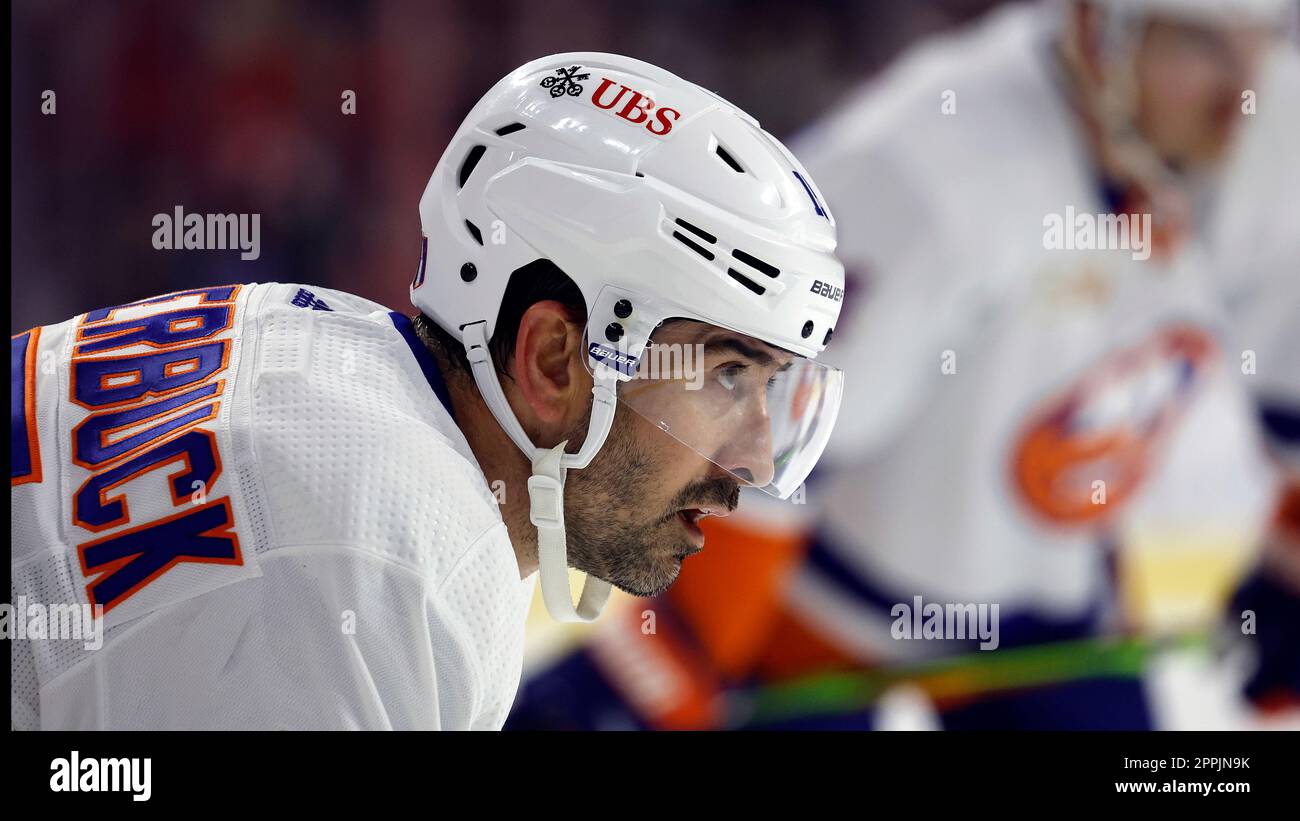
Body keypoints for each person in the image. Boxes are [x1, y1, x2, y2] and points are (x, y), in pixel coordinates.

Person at [506, 0, 1299, 730]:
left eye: (1259, 47)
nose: (1240, 99)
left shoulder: (1266, 135)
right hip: (820, 619)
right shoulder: (932, 170)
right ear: (1100, 30)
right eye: (1198, 44)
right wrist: (684, 646)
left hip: (1051, 612)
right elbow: (758, 409)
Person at [9, 52, 846, 729]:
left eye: (768, 385)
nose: (752, 461)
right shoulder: (385, 563)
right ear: (554, 359)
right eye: (726, 374)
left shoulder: (326, 346)